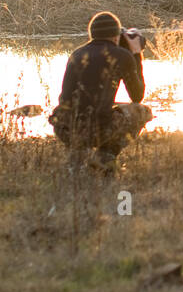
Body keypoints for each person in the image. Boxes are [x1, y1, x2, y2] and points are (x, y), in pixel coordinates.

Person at [49, 11, 152, 173]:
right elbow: (137, 96)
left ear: (92, 35)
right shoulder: (122, 55)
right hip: (98, 130)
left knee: (97, 109)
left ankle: (77, 155)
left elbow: (65, 98)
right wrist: (136, 54)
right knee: (142, 111)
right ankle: (106, 157)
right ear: (115, 36)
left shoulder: (77, 54)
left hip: (66, 128)